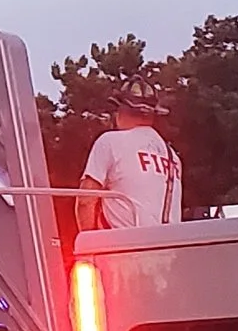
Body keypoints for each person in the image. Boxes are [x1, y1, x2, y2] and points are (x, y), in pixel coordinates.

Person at [78, 95, 183, 232]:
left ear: (122, 111)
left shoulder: (110, 141)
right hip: (170, 242)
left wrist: (89, 241)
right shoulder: (172, 156)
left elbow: (85, 201)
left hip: (125, 241)